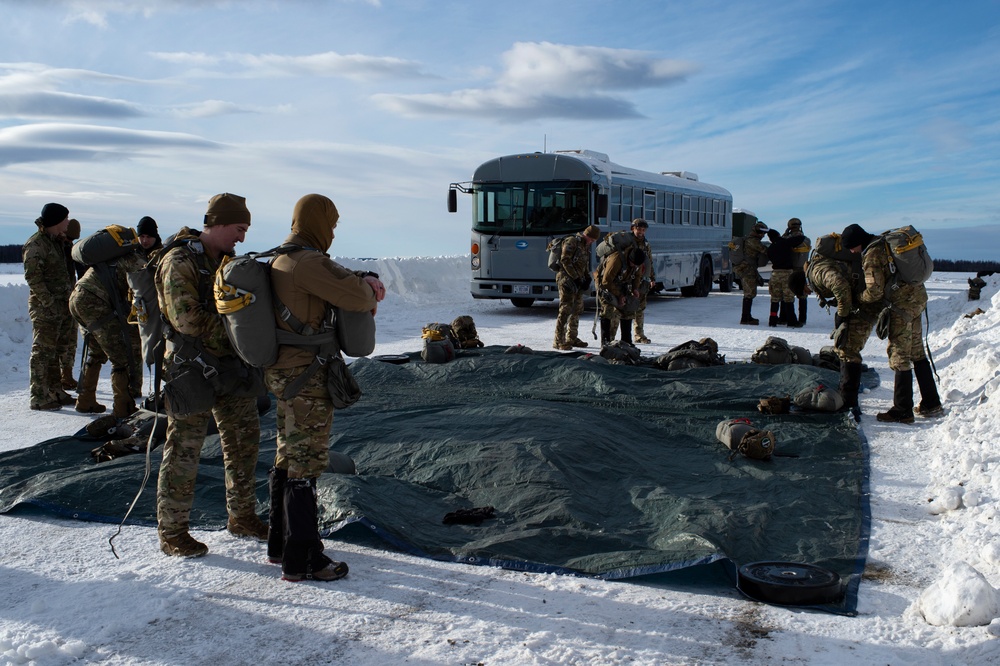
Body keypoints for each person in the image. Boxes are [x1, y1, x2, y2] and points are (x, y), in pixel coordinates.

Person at [264, 193, 385, 582]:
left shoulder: (284, 256)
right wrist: (369, 287)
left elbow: (334, 275)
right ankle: (305, 559)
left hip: (286, 374)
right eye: (331, 224)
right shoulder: (308, 262)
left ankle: (280, 544)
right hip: (307, 376)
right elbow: (354, 295)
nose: (332, 231)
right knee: (306, 465)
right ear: (317, 222)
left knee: (287, 457)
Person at [155, 193, 267, 557]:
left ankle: (242, 515)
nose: (242, 237)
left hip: (231, 369)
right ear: (216, 223)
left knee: (244, 443)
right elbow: (185, 320)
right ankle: (172, 532)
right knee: (184, 450)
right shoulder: (179, 260)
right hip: (191, 369)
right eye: (239, 228)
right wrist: (238, 330)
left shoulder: (230, 264)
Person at [842, 223, 943, 423]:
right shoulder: (883, 243)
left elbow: (875, 291)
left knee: (898, 355)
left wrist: (858, 299)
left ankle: (902, 409)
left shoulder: (871, 255)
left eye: (852, 247)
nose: (852, 251)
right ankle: (932, 403)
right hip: (917, 300)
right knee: (916, 351)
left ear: (858, 242)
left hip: (901, 307)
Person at [790, 240, 876, 419]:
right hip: (862, 299)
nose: (808, 294)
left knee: (848, 349)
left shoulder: (818, 272)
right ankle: (848, 397)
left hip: (867, 300)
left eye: (804, 292)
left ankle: (850, 403)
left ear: (803, 284)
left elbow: (841, 286)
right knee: (846, 348)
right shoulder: (816, 271)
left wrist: (842, 315)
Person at [69, 228, 145, 417]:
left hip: (77, 297)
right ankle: (123, 407)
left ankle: (85, 401)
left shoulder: (109, 260)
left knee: (95, 351)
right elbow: (144, 291)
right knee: (121, 357)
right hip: (94, 302)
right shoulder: (135, 261)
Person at [23, 203, 76, 411]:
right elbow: (33, 278)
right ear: (56, 220)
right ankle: (38, 395)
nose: (68, 222)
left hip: (61, 306)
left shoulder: (56, 242)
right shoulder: (36, 245)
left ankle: (55, 390)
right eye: (66, 219)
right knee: (42, 351)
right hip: (45, 308)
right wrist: (49, 303)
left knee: (56, 351)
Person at [130, 216, 163, 398]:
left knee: (157, 347)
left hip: (158, 310)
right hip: (140, 310)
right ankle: (138, 388)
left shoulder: (161, 255)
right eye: (141, 236)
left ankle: (158, 388)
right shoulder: (133, 254)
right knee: (142, 349)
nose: (144, 240)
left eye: (148, 236)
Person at [553, 225, 599, 350]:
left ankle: (572, 338)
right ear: (587, 235)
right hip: (566, 280)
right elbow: (565, 260)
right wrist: (576, 277)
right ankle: (559, 340)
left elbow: (583, 263)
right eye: (592, 240)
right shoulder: (572, 241)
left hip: (577, 281)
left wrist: (586, 276)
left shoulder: (584, 245)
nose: (592, 242)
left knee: (577, 309)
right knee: (565, 309)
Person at [597, 246, 645, 345]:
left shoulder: (637, 262)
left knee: (628, 310)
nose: (635, 267)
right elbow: (606, 281)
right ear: (629, 259)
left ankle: (626, 341)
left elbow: (637, 276)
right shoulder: (616, 260)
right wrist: (619, 295)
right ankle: (606, 342)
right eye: (633, 264)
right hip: (607, 286)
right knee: (608, 311)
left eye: (637, 265)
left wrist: (635, 289)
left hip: (623, 284)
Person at [58, 218, 84, 391]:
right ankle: (57, 378)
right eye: (67, 239)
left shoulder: (69, 249)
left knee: (71, 340)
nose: (69, 243)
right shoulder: (54, 247)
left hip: (69, 297)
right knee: (58, 341)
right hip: (55, 300)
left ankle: (66, 375)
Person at [765, 228, 805, 328]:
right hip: (787, 274)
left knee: (774, 299)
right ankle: (791, 321)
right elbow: (801, 238)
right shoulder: (785, 242)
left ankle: (772, 320)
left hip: (775, 274)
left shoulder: (770, 248)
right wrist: (789, 234)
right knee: (788, 298)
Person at [733, 221, 769, 325]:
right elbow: (765, 250)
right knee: (749, 293)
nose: (763, 236)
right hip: (747, 269)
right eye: (762, 233)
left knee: (749, 293)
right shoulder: (753, 241)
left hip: (747, 269)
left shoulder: (749, 240)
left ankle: (747, 316)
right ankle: (745, 318)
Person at [783, 218, 811, 325]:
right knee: (803, 296)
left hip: (791, 270)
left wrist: (785, 234)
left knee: (788, 295)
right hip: (803, 270)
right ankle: (802, 318)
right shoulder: (806, 240)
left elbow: (782, 244)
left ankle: (785, 317)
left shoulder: (787, 239)